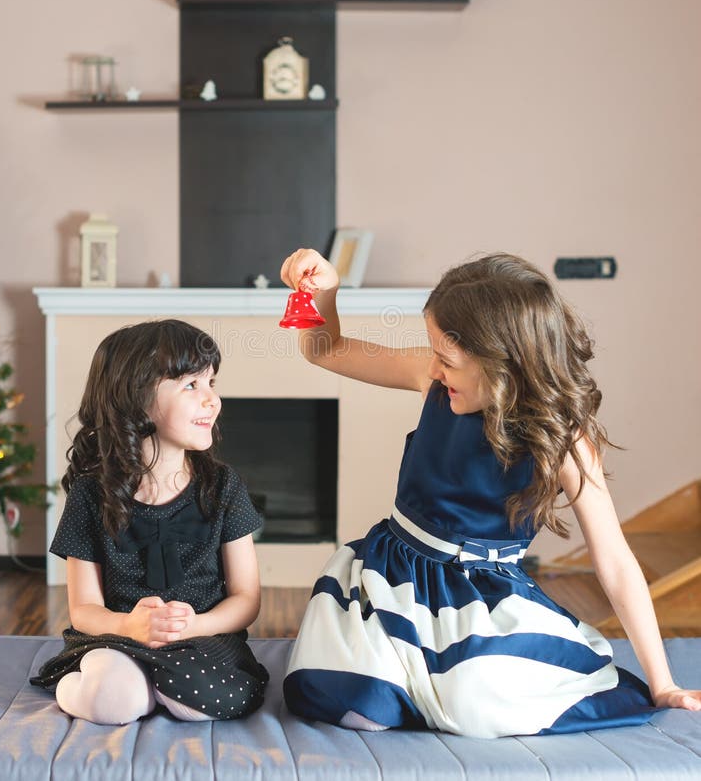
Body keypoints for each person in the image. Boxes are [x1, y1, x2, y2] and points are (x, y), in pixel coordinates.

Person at [280, 249, 701, 738]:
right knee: (337, 694)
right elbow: (324, 350)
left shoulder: (565, 437)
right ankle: (410, 685)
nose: (435, 368)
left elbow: (615, 563)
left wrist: (663, 682)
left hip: (486, 599)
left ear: (502, 364)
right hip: (389, 575)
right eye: (434, 353)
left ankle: (430, 687)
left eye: (448, 360)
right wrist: (326, 293)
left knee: (474, 701)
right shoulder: (430, 377)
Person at [31, 319, 269, 724]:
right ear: (136, 399)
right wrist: (131, 625)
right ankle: (93, 687)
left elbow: (246, 598)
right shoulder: (91, 494)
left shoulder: (222, 486)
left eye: (212, 383)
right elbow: (85, 609)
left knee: (211, 700)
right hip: (120, 637)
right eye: (191, 386)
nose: (212, 400)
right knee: (114, 698)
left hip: (202, 640)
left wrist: (196, 625)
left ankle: (153, 688)